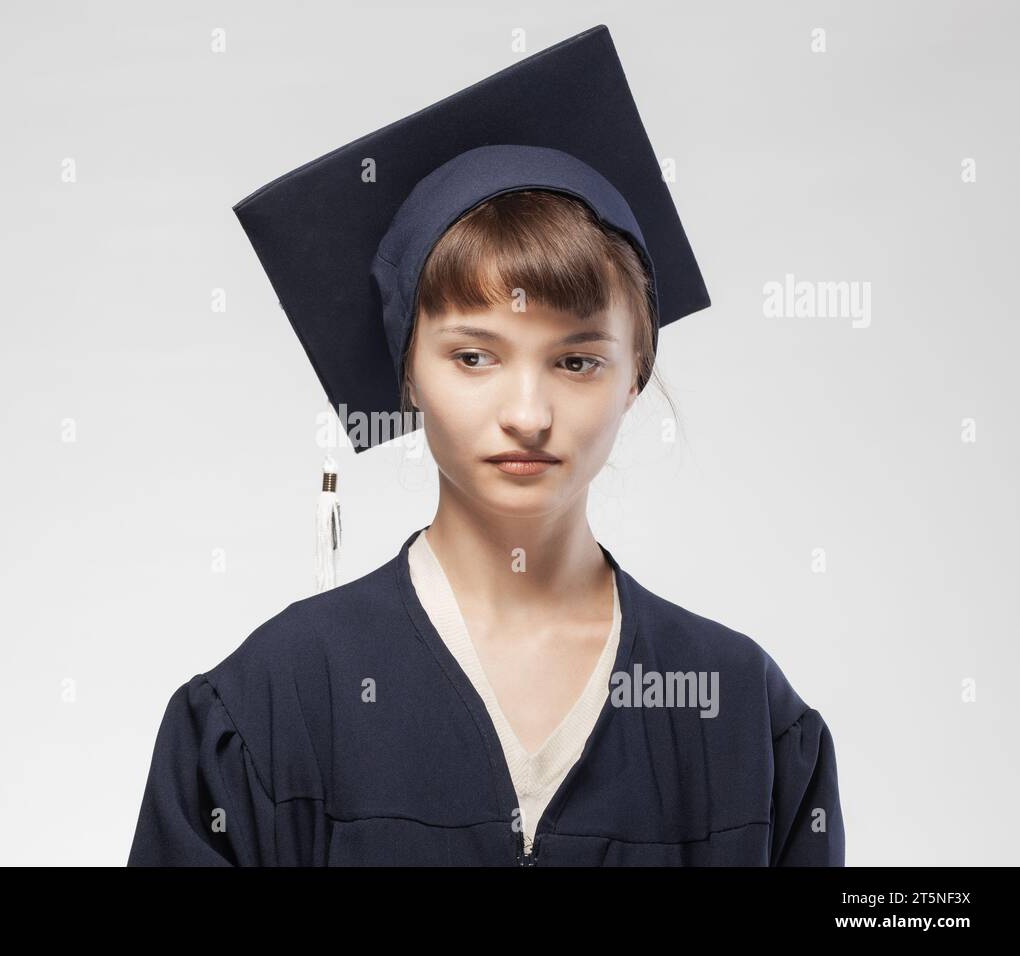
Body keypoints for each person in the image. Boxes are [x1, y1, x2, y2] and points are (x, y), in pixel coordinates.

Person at [128, 24, 844, 866]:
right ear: (408, 374)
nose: (528, 413)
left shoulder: (745, 717)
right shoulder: (269, 704)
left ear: (637, 372)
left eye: (577, 360)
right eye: (474, 357)